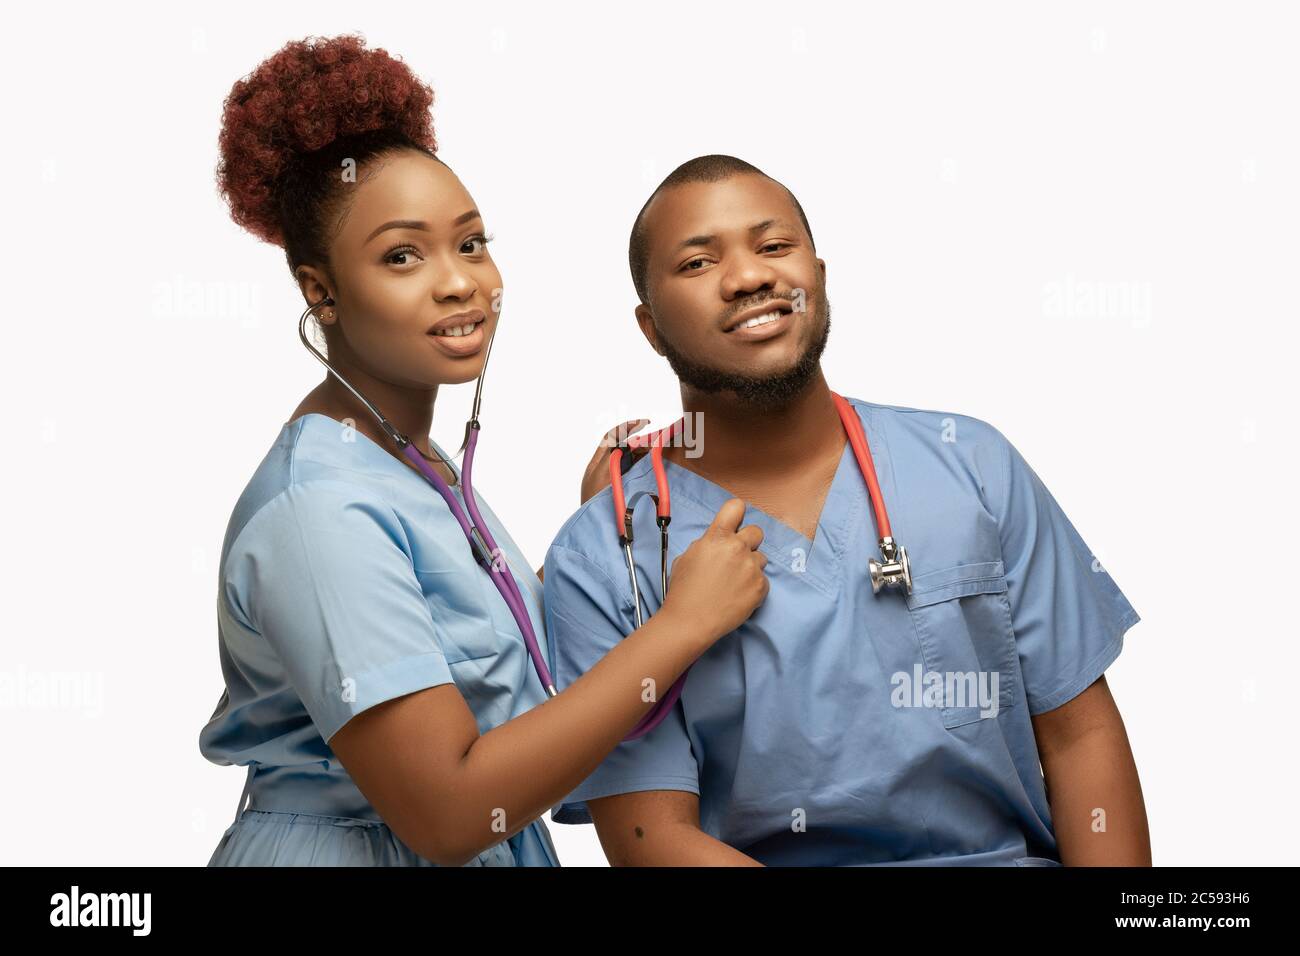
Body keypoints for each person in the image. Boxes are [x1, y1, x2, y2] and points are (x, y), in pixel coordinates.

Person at [198, 38, 769, 867]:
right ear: (320, 292)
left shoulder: (413, 465)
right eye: (402, 255)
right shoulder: (317, 508)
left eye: (470, 243)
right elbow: (451, 812)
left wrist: (588, 545)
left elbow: (491, 686)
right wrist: (682, 625)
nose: (460, 281)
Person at [544, 154, 1150, 866]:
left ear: (818, 279)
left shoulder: (973, 464)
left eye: (774, 247)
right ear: (650, 328)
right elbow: (654, 842)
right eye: (699, 263)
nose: (749, 276)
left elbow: (1080, 738)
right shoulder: (604, 555)